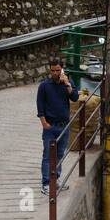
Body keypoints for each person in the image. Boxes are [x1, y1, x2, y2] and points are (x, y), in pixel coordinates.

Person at [36, 58, 80, 196]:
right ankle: (46, 183)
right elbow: (40, 105)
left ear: (62, 69)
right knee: (48, 155)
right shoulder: (44, 86)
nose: (55, 73)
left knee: (60, 154)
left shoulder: (67, 83)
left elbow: (74, 98)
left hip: (64, 126)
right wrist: (44, 123)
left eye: (57, 70)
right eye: (52, 71)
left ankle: (56, 180)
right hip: (50, 126)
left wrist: (67, 83)